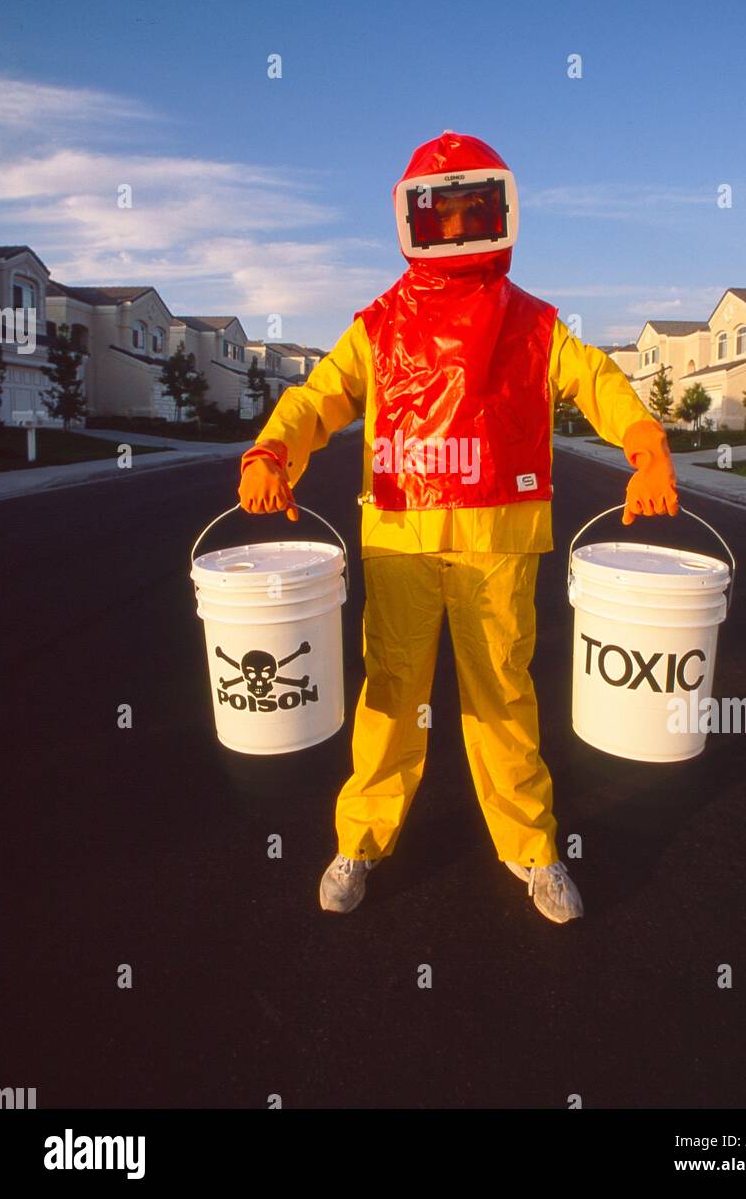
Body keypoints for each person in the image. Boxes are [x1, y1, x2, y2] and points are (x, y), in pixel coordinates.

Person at [238, 131, 680, 923]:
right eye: (437, 214)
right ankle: (360, 841)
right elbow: (320, 397)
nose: (452, 228)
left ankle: (534, 849)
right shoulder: (379, 327)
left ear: (496, 212)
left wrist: (644, 445)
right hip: (402, 539)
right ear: (412, 220)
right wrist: (271, 447)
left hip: (497, 544)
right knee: (391, 697)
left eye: (467, 211)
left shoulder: (535, 326)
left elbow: (599, 380)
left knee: (502, 700)